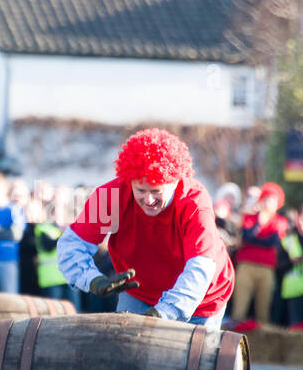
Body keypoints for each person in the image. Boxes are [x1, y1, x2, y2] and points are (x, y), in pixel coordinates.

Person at [56, 128, 234, 329]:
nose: (148, 200)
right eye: (140, 190)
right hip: (140, 291)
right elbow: (72, 245)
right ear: (129, 180)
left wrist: (165, 312)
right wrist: (93, 280)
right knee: (125, 350)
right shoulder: (112, 197)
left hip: (201, 299)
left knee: (195, 358)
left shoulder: (192, 202)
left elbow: (200, 269)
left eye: (156, 191)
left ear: (175, 182)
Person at [232, 181, 286, 324]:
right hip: (246, 265)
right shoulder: (250, 217)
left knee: (263, 309)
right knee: (240, 307)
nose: (270, 203)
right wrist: (259, 221)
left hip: (267, 268)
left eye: (273, 200)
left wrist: (255, 238)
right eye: (267, 198)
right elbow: (247, 237)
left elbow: (273, 242)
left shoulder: (280, 221)